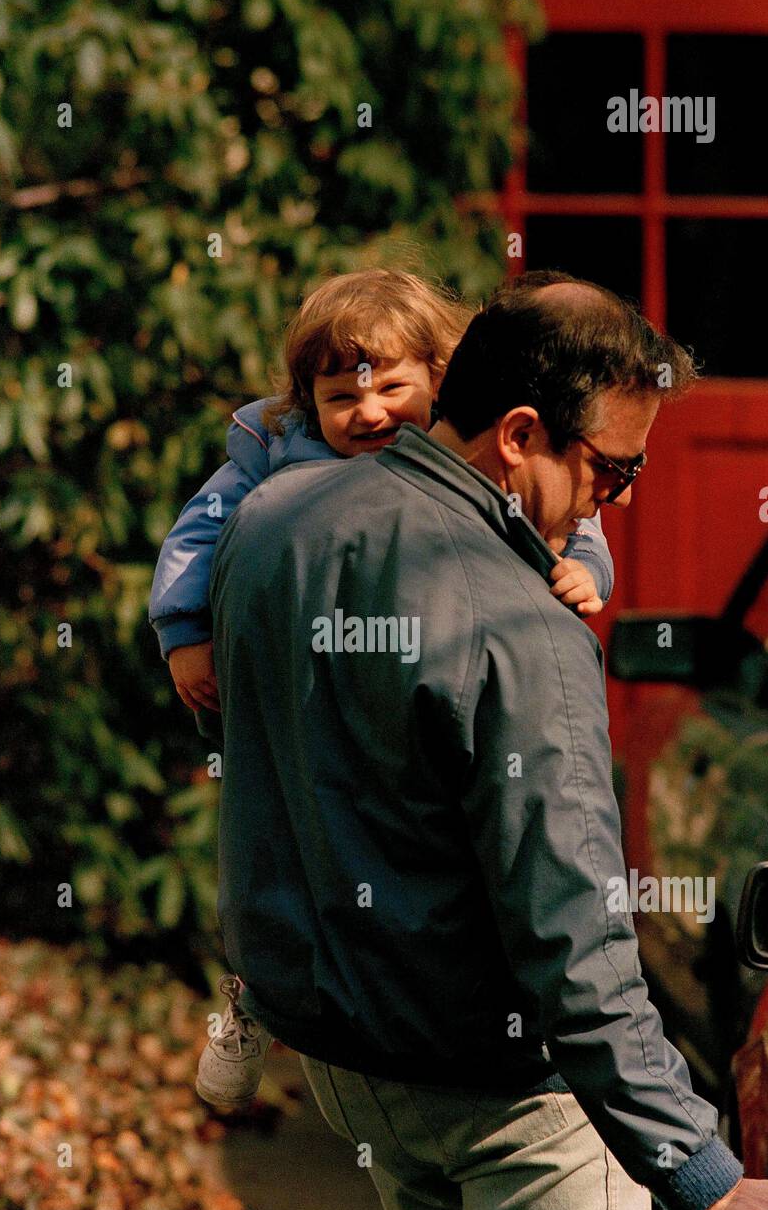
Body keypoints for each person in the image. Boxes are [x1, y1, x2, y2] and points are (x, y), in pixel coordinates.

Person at [206, 270, 768, 1210]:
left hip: (347, 1064)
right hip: (509, 1098)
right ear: (519, 434)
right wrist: (701, 1173)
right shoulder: (522, 626)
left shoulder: (272, 524)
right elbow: (571, 936)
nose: (608, 507)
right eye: (611, 474)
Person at [148, 269, 614, 1107]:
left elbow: (577, 515)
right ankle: (255, 996)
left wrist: (586, 573)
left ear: (439, 381)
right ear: (306, 403)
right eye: (338, 398)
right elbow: (194, 535)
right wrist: (184, 633)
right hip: (319, 687)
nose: (365, 413)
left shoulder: (486, 472)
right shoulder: (274, 456)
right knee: (279, 832)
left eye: (390, 388)